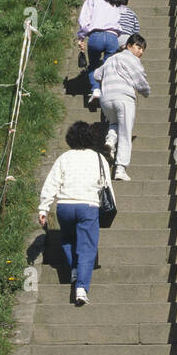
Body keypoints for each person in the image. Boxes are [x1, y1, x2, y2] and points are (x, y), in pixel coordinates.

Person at [38, 122, 114, 306]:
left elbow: (52, 182)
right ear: (91, 138)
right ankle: (81, 287)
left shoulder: (64, 158)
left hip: (64, 206)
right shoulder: (98, 158)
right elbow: (106, 185)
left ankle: (74, 270)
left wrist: (43, 208)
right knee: (87, 248)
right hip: (88, 206)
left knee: (67, 239)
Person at [97, 33, 150, 181]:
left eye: (143, 49)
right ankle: (120, 169)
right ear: (128, 46)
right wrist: (146, 92)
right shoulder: (132, 59)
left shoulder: (111, 59)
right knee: (126, 133)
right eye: (138, 47)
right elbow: (140, 79)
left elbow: (96, 74)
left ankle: (110, 142)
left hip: (106, 99)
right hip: (124, 98)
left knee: (114, 123)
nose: (140, 51)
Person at [87, 0, 140, 102]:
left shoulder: (113, 10)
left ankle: (103, 88)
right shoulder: (132, 14)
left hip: (116, 39)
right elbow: (136, 31)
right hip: (128, 41)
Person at [77, 0, 122, 98]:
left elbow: (84, 19)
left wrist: (81, 36)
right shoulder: (117, 1)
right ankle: (108, 91)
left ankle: (96, 89)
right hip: (113, 37)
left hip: (95, 36)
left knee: (93, 64)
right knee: (109, 67)